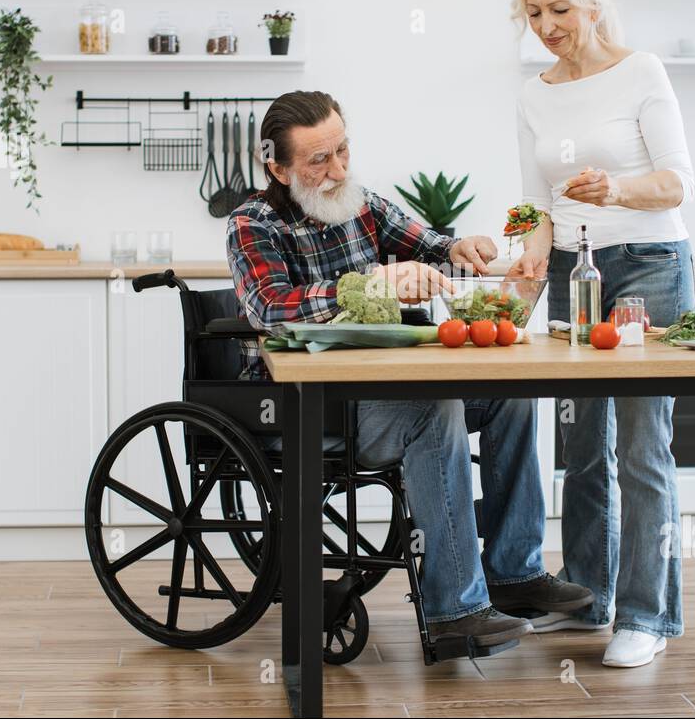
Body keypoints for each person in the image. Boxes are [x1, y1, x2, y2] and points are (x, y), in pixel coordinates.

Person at [226, 89, 594, 650]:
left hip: (382, 393)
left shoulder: (361, 202)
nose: (337, 170)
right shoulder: (252, 224)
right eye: (317, 161)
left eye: (342, 150)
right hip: (314, 408)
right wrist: (376, 282)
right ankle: (454, 611)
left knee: (511, 395)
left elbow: (433, 244)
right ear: (276, 166)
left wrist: (464, 248)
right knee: (434, 406)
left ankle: (515, 573)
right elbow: (271, 308)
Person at [505, 0, 695, 668]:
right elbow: (534, 203)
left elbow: (677, 183)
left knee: (641, 447)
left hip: (648, 264)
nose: (547, 25)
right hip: (568, 272)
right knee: (583, 446)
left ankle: (647, 614)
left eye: (559, 9)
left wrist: (615, 190)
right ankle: (590, 595)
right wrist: (525, 261)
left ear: (591, 3)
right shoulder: (534, 94)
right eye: (533, 14)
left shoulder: (642, 70)